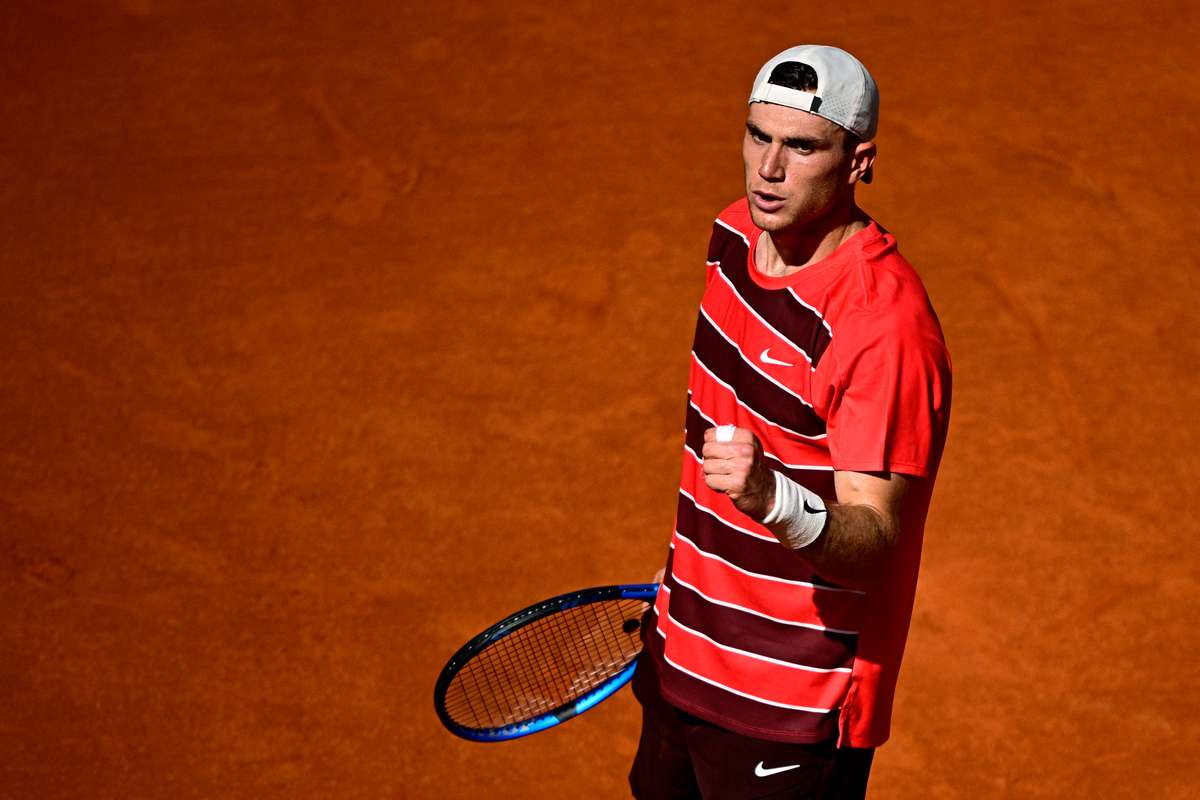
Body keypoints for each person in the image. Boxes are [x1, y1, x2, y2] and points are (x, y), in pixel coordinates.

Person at [630, 45, 952, 799]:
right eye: (758, 136)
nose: (768, 169)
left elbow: (873, 544)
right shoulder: (733, 237)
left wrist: (772, 497)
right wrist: (688, 576)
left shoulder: (881, 327)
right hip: (681, 647)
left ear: (858, 162)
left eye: (802, 147)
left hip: (791, 699)